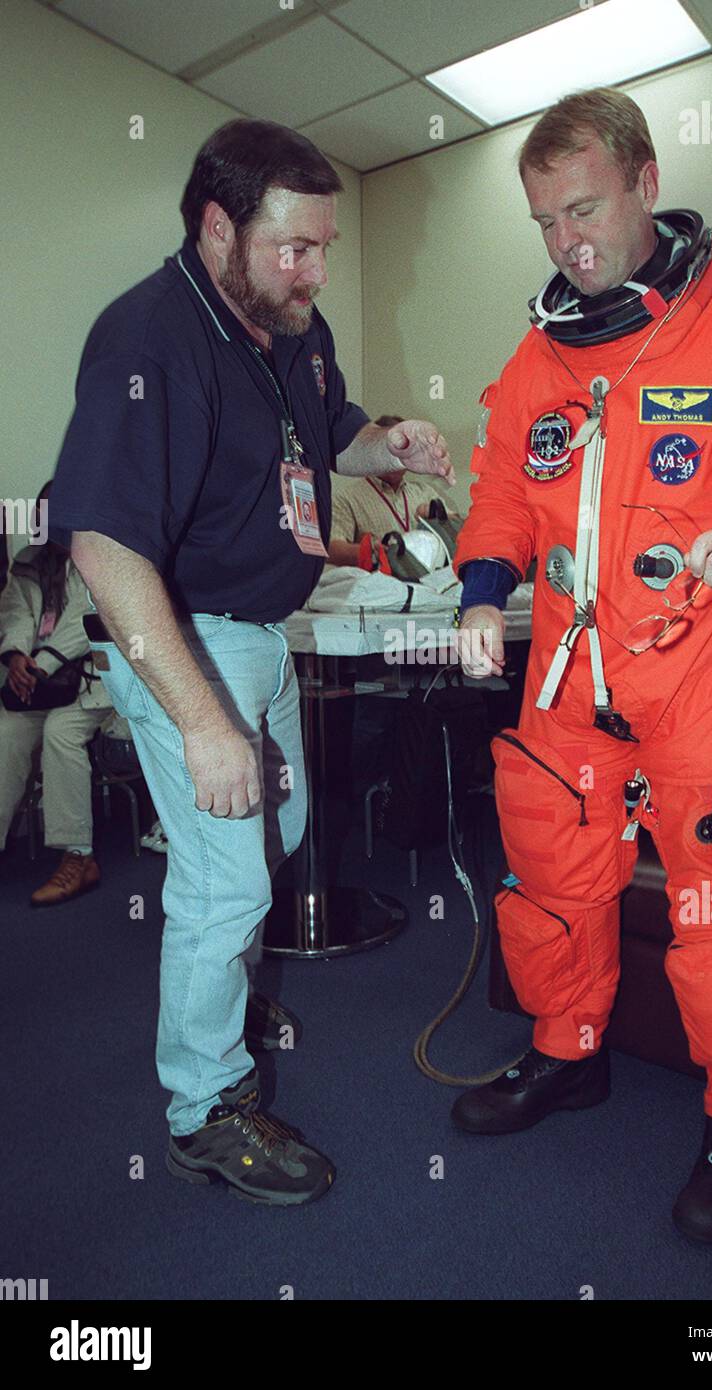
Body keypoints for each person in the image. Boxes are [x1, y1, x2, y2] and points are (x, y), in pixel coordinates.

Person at [453, 88, 712, 1245]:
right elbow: (500, 484)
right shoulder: (543, 347)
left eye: (583, 207)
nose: (567, 240)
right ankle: (565, 1050)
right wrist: (484, 591)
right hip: (569, 671)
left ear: (645, 178)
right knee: (550, 865)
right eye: (544, 221)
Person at [47, 119, 452, 1208]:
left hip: (265, 631)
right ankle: (203, 1107)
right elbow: (100, 544)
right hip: (184, 639)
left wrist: (392, 441)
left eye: (323, 247)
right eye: (296, 249)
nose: (316, 271)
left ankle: (218, 991)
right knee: (224, 887)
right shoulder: (145, 340)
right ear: (219, 227)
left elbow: (333, 436)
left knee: (273, 838)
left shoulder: (291, 327)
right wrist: (203, 720)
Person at [0, 483, 112, 901]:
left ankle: (79, 857)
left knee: (61, 732)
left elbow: (85, 620)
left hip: (92, 686)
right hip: (37, 686)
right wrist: (15, 658)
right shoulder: (30, 563)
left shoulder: (98, 558)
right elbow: (15, 613)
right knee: (5, 733)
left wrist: (39, 665)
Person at [327, 414, 458, 570]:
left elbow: (457, 530)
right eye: (392, 448)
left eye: (405, 448)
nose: (398, 456)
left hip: (430, 583)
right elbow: (332, 548)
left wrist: (442, 519)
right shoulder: (346, 499)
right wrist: (372, 552)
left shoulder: (425, 493)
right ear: (375, 450)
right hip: (381, 587)